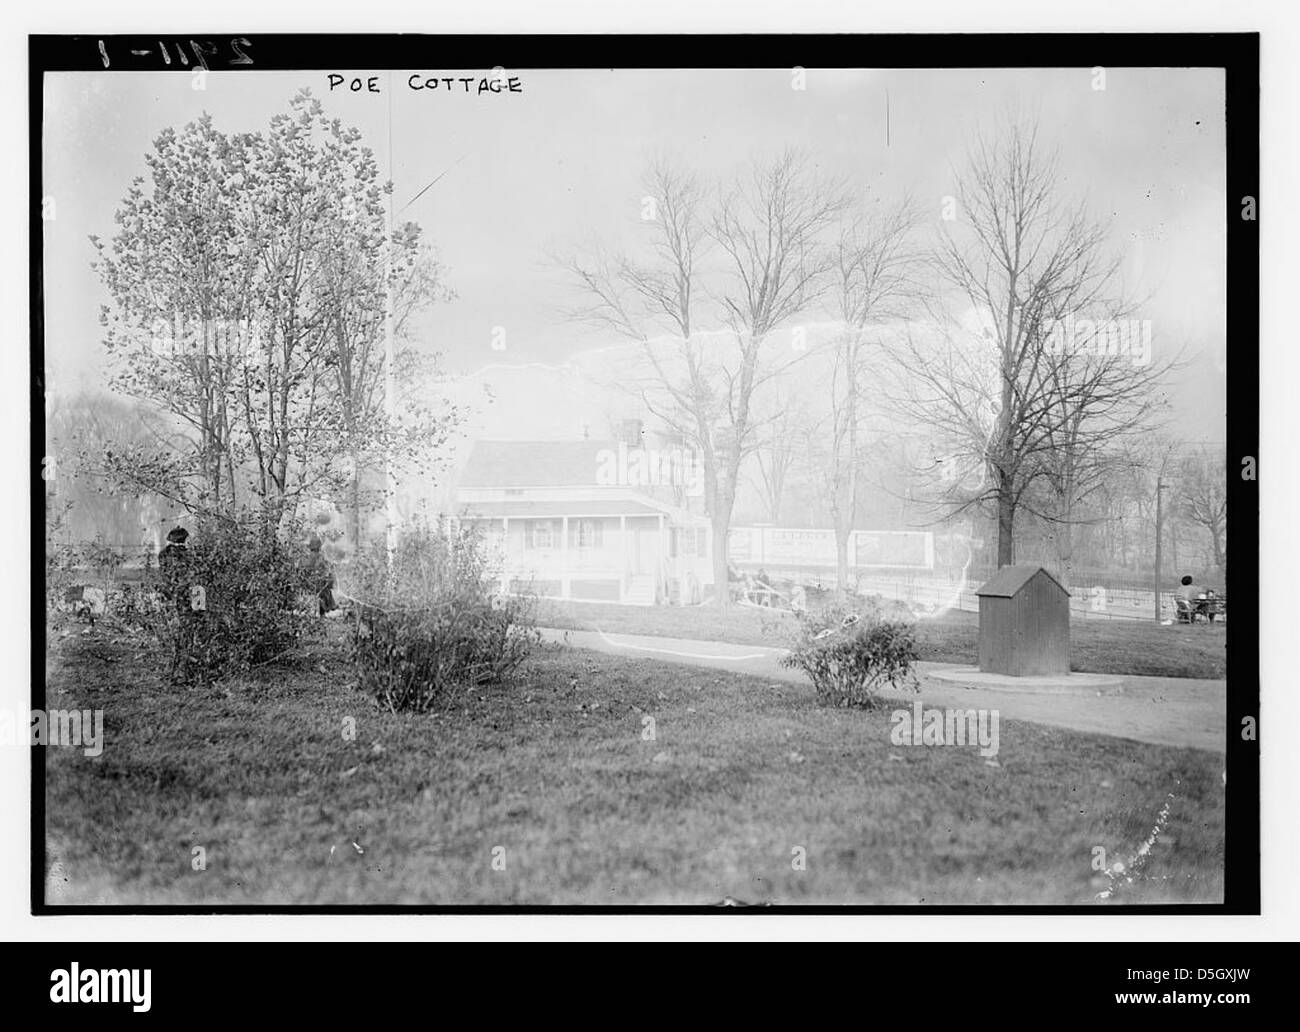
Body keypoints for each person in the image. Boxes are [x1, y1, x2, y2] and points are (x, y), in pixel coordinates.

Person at [158, 526, 194, 680]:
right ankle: (186, 670)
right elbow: (198, 581)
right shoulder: (192, 556)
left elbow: (164, 577)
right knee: (191, 632)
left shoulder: (163, 555)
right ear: (185, 539)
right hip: (189, 596)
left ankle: (175, 670)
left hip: (171, 597)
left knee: (175, 634)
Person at [306, 534, 336, 616]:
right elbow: (326, 569)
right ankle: (323, 612)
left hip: (309, 583)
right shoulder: (321, 557)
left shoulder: (307, 557)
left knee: (325, 590)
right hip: (318, 584)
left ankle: (321, 611)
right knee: (326, 591)